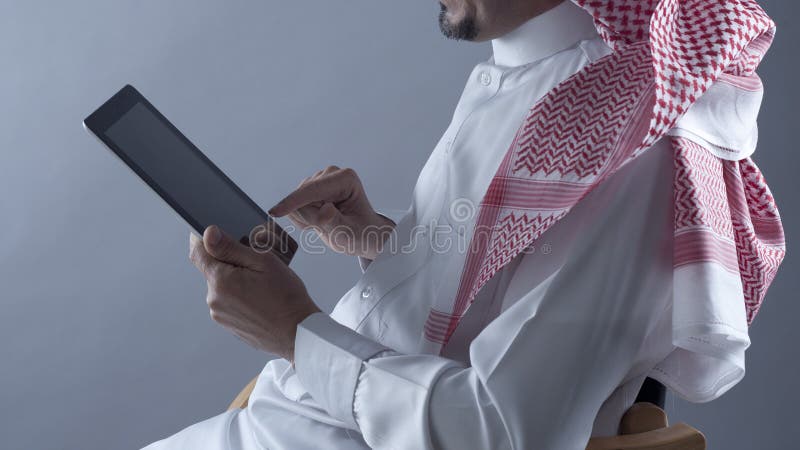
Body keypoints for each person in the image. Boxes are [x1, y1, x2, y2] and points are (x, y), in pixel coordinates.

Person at [145, 1, 785, 449]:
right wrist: (383, 244)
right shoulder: (535, 66)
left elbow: (505, 433)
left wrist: (294, 334)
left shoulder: (627, 141)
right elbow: (490, 297)